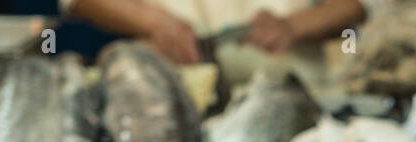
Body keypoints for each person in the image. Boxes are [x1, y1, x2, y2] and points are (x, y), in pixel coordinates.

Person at [63, 0, 373, 64]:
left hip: (295, 87)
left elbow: (355, 5)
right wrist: (152, 22)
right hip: (174, 83)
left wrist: (292, 26)